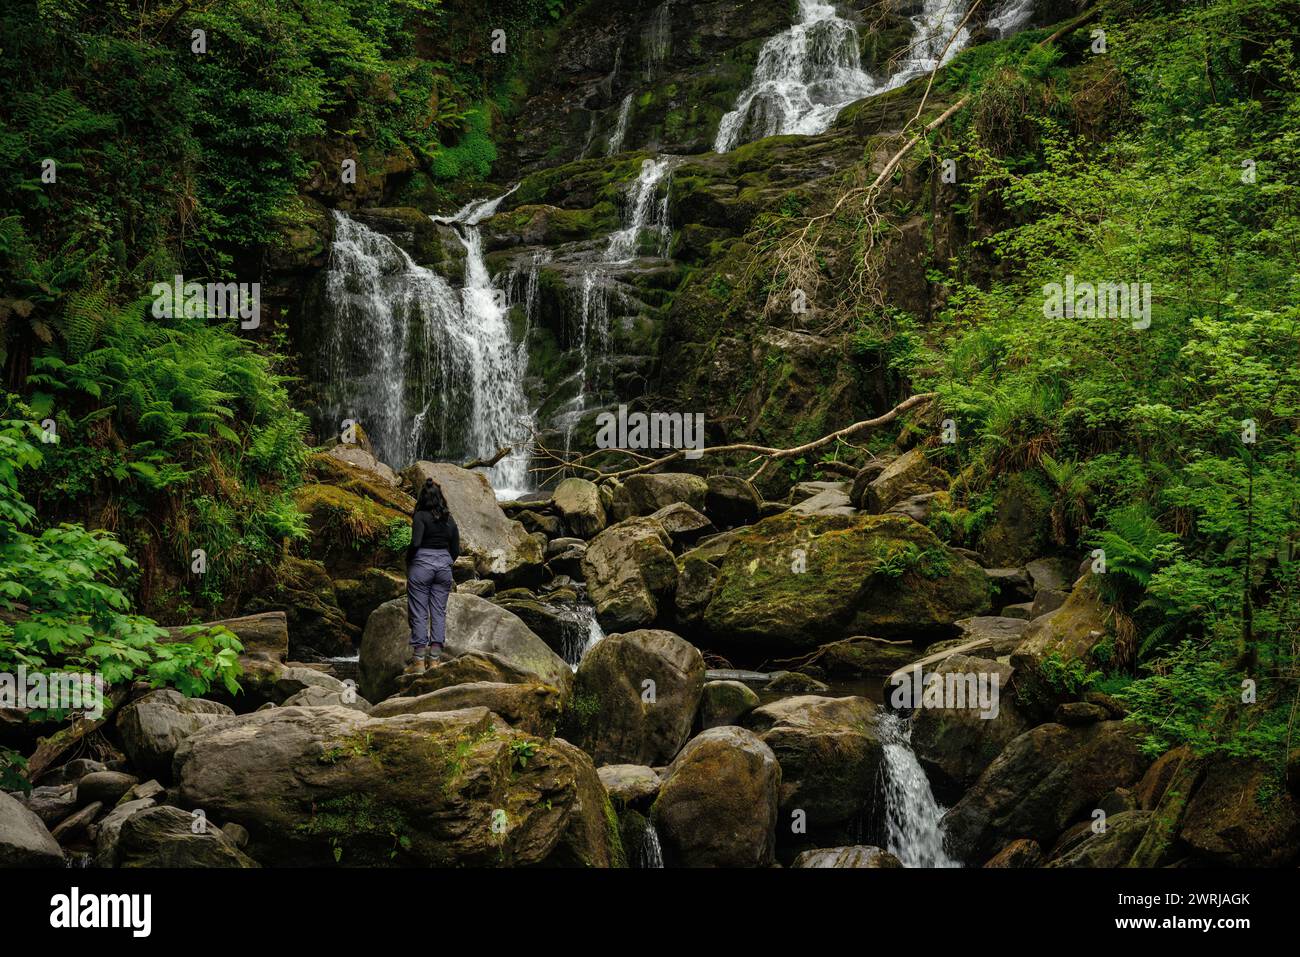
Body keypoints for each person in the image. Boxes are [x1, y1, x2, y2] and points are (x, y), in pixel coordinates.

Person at [405, 478, 459, 673]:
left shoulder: (420, 516)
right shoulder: (449, 519)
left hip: (422, 565)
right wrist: (445, 561)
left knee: (419, 612)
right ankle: (435, 660)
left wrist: (409, 560)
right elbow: (456, 549)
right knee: (438, 612)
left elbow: (416, 543)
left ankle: (419, 661)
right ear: (440, 498)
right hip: (444, 567)